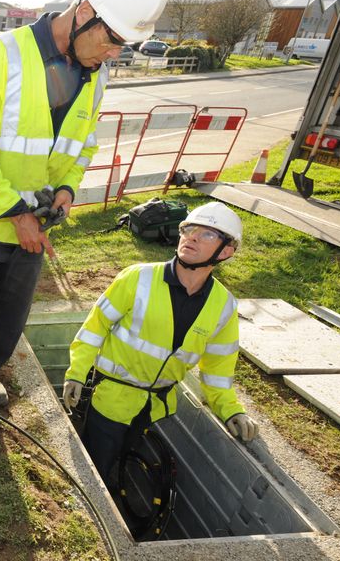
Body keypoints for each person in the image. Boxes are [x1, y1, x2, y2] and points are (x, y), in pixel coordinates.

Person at [0, 0, 169, 465]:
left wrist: (65, 189)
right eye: (110, 40)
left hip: (33, 226)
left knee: (7, 321)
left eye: (122, 46)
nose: (112, 53)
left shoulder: (95, 75)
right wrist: (15, 214)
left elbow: (82, 147)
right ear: (84, 12)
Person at [62, 202, 259, 486]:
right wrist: (76, 373)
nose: (191, 237)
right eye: (189, 230)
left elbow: (218, 369)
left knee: (124, 459)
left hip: (153, 407)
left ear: (226, 251)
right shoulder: (138, 278)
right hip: (110, 400)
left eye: (206, 235)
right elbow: (95, 328)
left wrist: (230, 409)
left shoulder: (224, 305)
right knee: (95, 467)